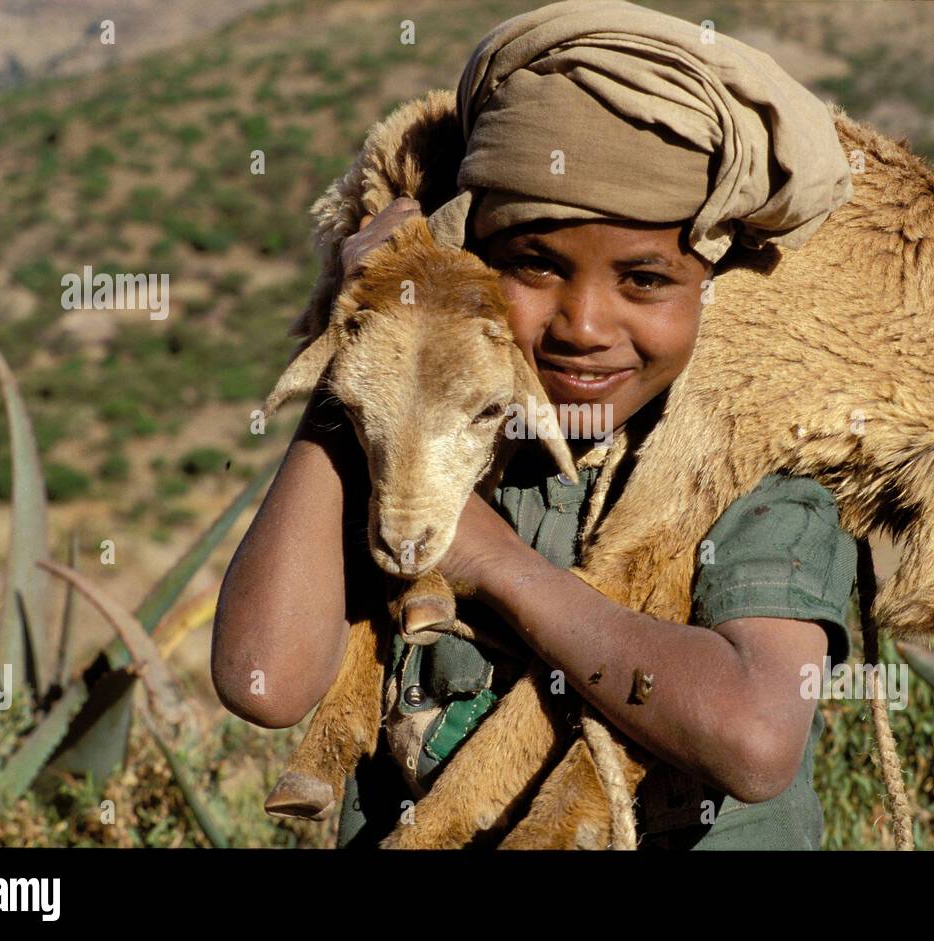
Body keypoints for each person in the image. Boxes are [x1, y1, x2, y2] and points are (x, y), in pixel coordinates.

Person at [212, 0, 857, 850]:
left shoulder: (756, 484)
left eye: (645, 281)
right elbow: (263, 680)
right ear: (471, 265)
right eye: (535, 265)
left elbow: (754, 738)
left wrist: (494, 562)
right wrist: (369, 341)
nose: (584, 324)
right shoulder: (431, 454)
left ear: (714, 287)